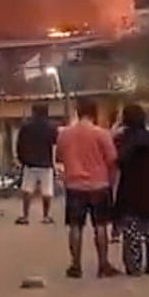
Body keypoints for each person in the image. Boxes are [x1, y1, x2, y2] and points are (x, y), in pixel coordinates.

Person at [56, 97, 120, 279]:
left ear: (78, 112)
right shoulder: (102, 134)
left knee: (75, 226)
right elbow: (112, 160)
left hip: (74, 184)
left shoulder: (65, 134)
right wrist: (111, 181)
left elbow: (59, 157)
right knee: (100, 225)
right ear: (95, 113)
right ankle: (103, 264)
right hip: (99, 184)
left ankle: (75, 265)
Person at [113, 104, 149, 276]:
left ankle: (134, 266)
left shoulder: (122, 139)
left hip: (129, 188)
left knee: (132, 231)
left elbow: (118, 162)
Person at [15, 103, 58, 225]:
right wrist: (54, 163)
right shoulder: (51, 128)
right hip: (46, 163)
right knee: (47, 191)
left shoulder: (26, 127)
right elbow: (54, 146)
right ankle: (46, 216)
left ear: (33, 112)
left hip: (30, 163)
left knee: (27, 189)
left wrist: (21, 159)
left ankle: (25, 216)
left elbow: (20, 145)